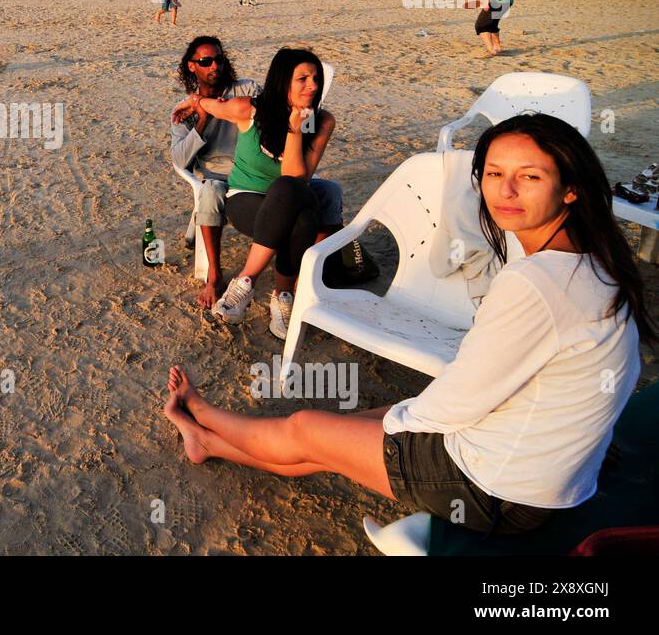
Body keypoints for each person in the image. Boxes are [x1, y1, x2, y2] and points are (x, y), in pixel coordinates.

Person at [162, 113, 651, 538]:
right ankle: (204, 441)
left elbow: (458, 399)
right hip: (540, 471)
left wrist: (392, 430)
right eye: (494, 173)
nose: (505, 190)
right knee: (346, 431)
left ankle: (200, 412)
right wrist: (383, 423)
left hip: (499, 490)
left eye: (529, 177)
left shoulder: (538, 282)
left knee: (307, 428)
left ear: (570, 188)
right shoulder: (597, 262)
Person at [171, 38, 345, 313]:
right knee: (300, 217)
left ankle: (253, 284)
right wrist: (196, 106)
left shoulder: (319, 120)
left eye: (316, 78)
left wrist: (295, 129)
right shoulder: (244, 108)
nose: (313, 86)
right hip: (241, 191)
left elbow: (295, 178)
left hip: (289, 193)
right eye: (303, 79)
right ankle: (281, 294)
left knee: (298, 196)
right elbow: (205, 114)